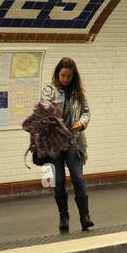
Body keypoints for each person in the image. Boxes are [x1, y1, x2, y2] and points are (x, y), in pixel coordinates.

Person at [40, 57, 93, 231]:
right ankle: (64, 216)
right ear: (57, 74)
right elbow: (44, 109)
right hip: (56, 142)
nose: (65, 79)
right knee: (59, 180)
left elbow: (86, 112)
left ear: (73, 76)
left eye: (68, 76)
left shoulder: (78, 92)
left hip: (74, 141)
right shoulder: (49, 90)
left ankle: (85, 216)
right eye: (62, 75)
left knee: (78, 178)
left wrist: (82, 123)